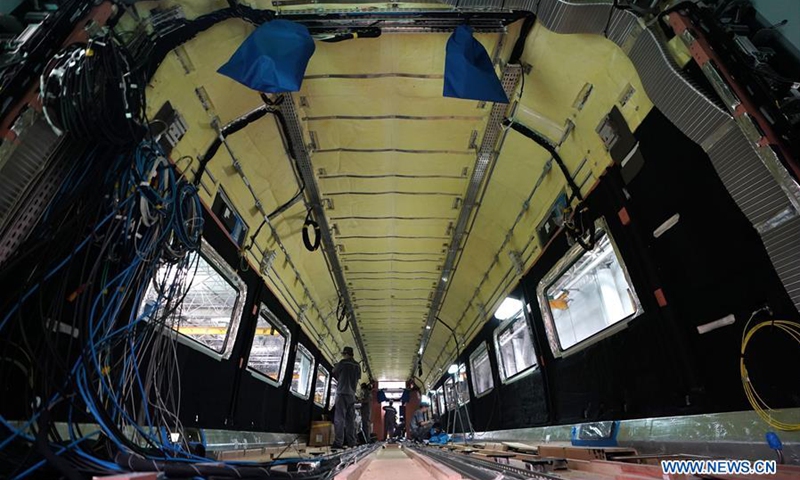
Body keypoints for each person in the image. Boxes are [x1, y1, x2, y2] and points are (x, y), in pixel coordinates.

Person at [331, 346, 361, 449]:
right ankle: (352, 442)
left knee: (339, 418)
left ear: (346, 354)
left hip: (342, 393)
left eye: (344, 354)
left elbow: (334, 372)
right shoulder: (357, 365)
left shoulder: (343, 363)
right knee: (350, 420)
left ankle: (338, 442)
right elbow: (357, 378)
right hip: (351, 395)